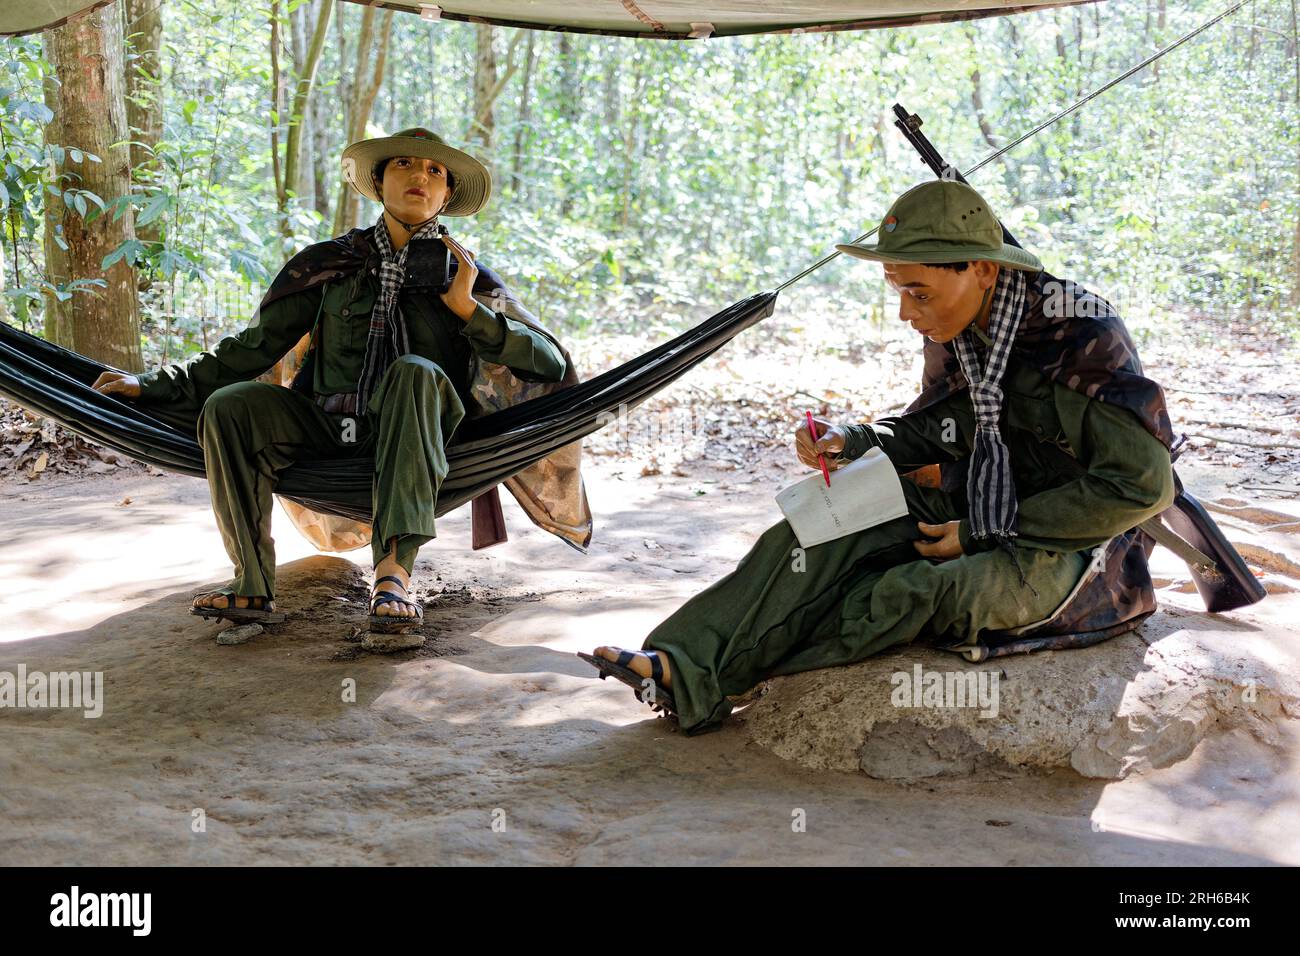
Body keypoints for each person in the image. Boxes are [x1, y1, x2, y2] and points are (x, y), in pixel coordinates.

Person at [582, 179, 1177, 735]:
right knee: (813, 527)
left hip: (1078, 540)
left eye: (919, 293)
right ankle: (678, 664)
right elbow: (937, 429)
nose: (906, 312)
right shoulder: (965, 327)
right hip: (978, 497)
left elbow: (1142, 490)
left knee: (907, 592)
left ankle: (740, 671)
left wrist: (981, 532)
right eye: (898, 289)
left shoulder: (1077, 336)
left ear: (984, 270)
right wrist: (854, 439)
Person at [92, 127, 568, 639]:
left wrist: (468, 310)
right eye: (404, 164)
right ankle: (251, 583)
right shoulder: (329, 263)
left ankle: (393, 579)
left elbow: (549, 363)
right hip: (327, 426)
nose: (419, 177)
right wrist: (153, 385)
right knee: (232, 406)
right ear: (379, 182)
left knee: (414, 372)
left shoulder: (467, 276)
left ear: (446, 195)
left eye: (435, 172)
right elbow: (253, 347)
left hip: (420, 436)